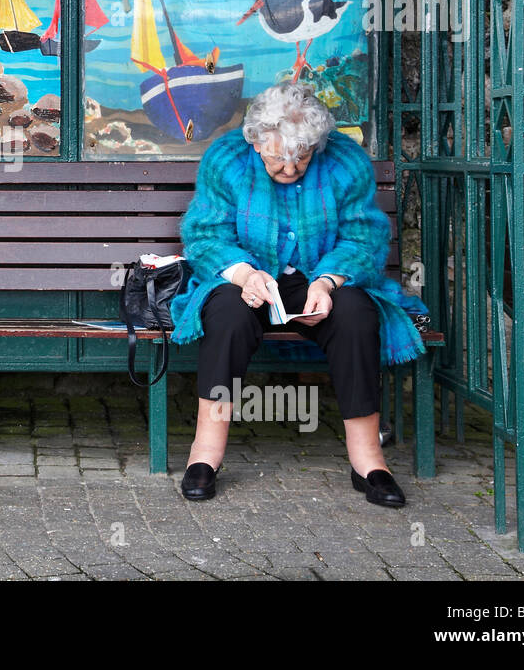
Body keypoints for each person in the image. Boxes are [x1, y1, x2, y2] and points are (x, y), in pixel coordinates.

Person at [168, 82, 428, 507]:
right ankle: (205, 454)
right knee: (228, 318)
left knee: (357, 316)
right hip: (247, 275)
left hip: (321, 273)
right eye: (277, 159)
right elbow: (204, 233)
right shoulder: (227, 157)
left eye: (301, 158)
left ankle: (368, 460)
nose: (289, 169)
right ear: (254, 143)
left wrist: (327, 282)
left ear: (317, 145)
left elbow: (364, 236)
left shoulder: (344, 159)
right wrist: (244, 274)